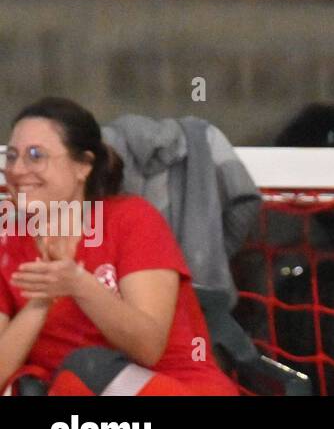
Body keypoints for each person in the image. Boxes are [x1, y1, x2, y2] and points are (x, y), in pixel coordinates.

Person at [0, 97, 238, 396]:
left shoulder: (131, 219)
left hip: (173, 387)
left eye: (36, 156)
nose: (17, 169)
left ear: (83, 166)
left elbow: (147, 348)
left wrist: (78, 284)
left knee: (88, 368)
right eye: (11, 156)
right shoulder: (7, 242)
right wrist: (41, 301)